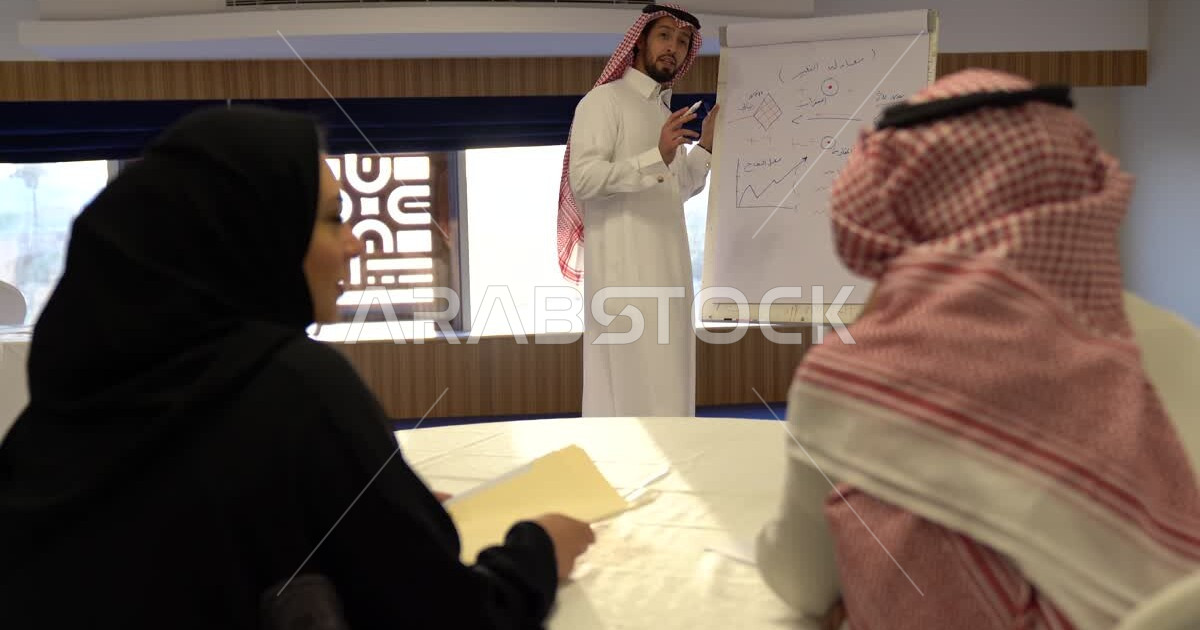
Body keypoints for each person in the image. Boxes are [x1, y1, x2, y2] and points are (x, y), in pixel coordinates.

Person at [0, 106, 594, 629]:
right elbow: (454, 614)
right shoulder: (294, 387)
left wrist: (369, 517)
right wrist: (538, 548)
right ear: (254, 235)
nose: (355, 244)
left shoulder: (51, 422)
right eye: (333, 218)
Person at [755, 69, 1200, 629]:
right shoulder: (1178, 342)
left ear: (890, 209)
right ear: (1076, 186)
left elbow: (800, 580)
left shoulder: (854, 377)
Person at [559, 3, 720, 417]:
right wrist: (657, 155)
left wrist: (704, 146)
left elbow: (676, 187)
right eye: (665, 35)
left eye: (683, 41)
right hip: (624, 278)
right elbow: (586, 181)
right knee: (628, 393)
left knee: (670, 386)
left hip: (669, 274)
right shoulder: (603, 102)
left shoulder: (663, 111)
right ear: (639, 43)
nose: (674, 47)